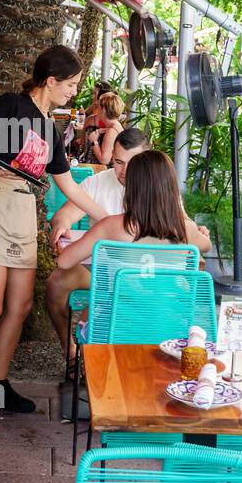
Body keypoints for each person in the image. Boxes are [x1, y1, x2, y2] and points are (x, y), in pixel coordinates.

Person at [0, 45, 110, 438]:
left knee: (20, 305)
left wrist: (111, 220)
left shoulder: (51, 126)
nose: (75, 91)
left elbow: (69, 186)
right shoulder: (13, 104)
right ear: (51, 80)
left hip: (23, 210)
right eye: (72, 84)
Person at [55, 148, 212, 347]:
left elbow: (64, 261)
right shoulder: (185, 229)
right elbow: (206, 245)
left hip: (113, 330)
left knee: (91, 310)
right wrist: (201, 233)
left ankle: (88, 371)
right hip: (169, 328)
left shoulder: (110, 226)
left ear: (132, 187)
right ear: (170, 187)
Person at [45, 127, 150, 368]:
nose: (124, 172)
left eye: (132, 163)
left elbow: (183, 224)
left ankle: (112, 357)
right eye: (119, 162)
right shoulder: (100, 181)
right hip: (99, 269)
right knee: (55, 283)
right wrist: (61, 225)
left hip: (144, 269)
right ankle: (71, 352)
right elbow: (64, 215)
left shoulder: (157, 185)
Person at [90, 92, 125, 165]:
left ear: (103, 110)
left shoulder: (112, 131)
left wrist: (94, 141)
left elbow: (104, 160)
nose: (97, 110)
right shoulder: (115, 125)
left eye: (98, 107)